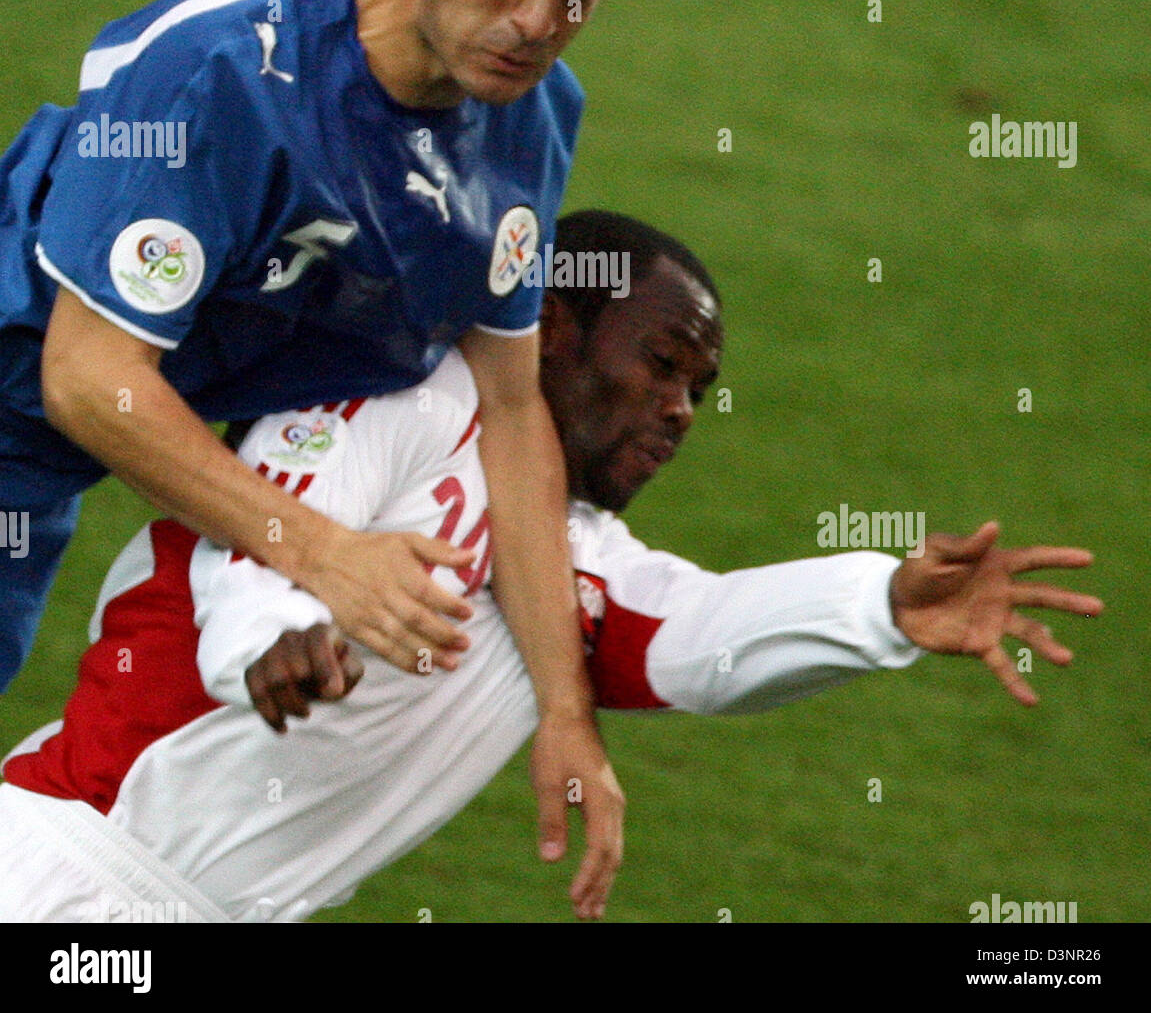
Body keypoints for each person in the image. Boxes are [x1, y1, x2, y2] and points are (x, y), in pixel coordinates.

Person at [0, 211, 1101, 923]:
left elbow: (703, 637)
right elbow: (269, 535)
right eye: (661, 364)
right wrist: (272, 641)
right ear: (557, 329)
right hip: (67, 861)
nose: (677, 410)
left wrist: (883, 605)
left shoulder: (571, 564)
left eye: (698, 393)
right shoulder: (398, 399)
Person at [0, 0, 630, 913]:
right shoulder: (222, 72)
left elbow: (509, 411)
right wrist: (320, 552)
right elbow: (89, 374)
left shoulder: (527, 127)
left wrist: (564, 712)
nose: (538, 24)